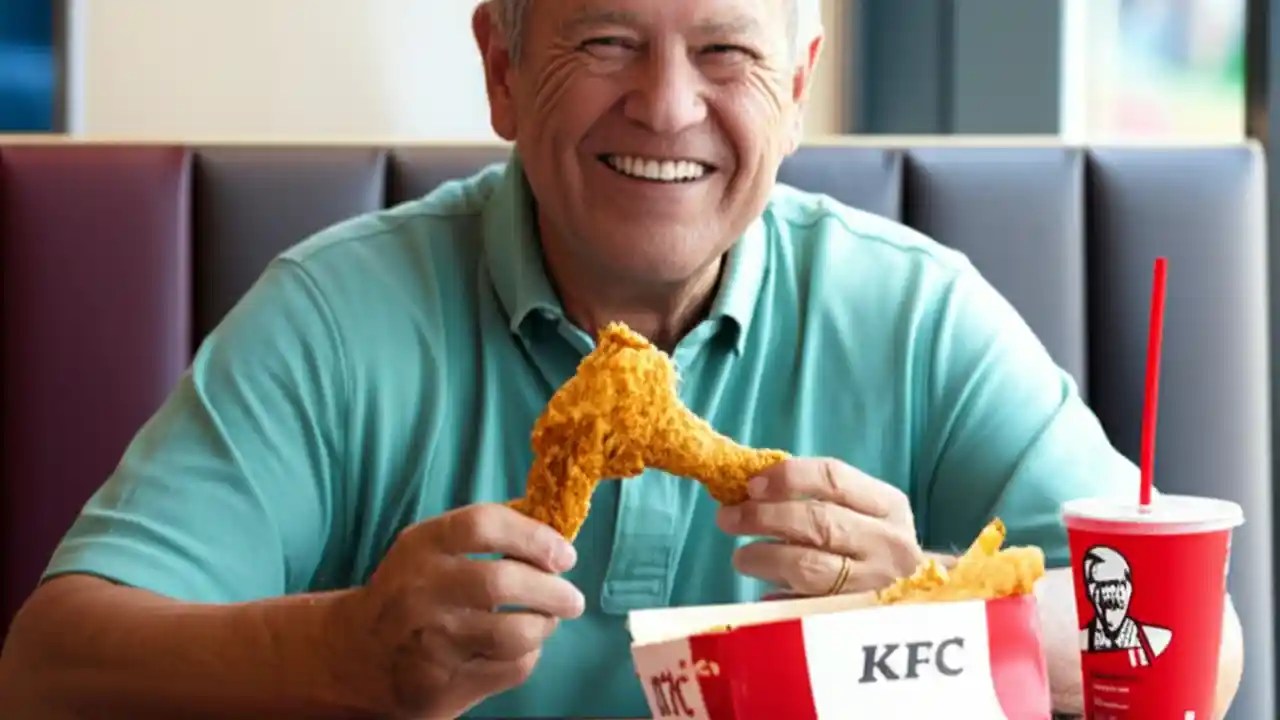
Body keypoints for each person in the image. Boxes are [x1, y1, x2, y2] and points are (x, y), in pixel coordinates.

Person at [0, 0, 1243, 718]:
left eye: (724, 50)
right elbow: (47, 669)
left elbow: (1192, 649)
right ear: (501, 69)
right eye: (603, 37)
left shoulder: (916, 316)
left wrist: (924, 605)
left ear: (796, 87)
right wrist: (345, 652)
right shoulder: (335, 317)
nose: (665, 105)